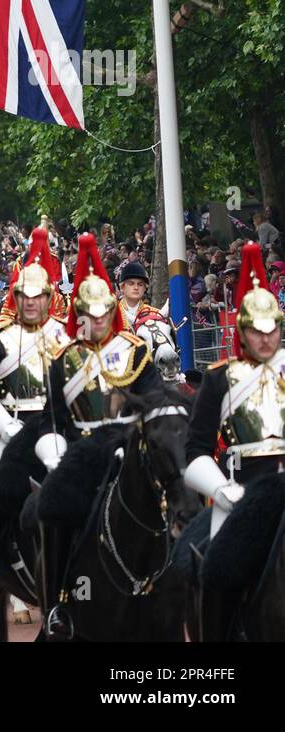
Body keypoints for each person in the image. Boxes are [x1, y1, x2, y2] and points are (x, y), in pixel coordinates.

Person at [35, 233, 163, 640]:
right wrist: (56, 453)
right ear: (79, 316)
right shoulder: (64, 359)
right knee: (56, 508)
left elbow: (155, 402)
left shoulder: (136, 351)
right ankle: (58, 601)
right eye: (90, 314)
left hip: (130, 448)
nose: (99, 321)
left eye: (105, 312)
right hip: (83, 453)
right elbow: (51, 419)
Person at [183, 242, 285, 640]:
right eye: (256, 332)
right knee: (219, 568)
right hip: (242, 493)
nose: (265, 339)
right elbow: (194, 452)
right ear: (242, 330)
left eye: (271, 329)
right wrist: (221, 489)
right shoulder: (219, 378)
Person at [0, 231, 69, 608]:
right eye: (24, 296)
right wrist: (8, 428)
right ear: (15, 297)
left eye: (38, 296)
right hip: (11, 427)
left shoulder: (67, 337)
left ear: (49, 298)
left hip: (56, 425)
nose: (30, 303)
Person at [115, 259, 163, 331]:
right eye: (131, 284)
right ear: (122, 287)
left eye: (140, 284)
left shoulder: (155, 314)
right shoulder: (112, 314)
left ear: (144, 288)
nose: (136, 288)